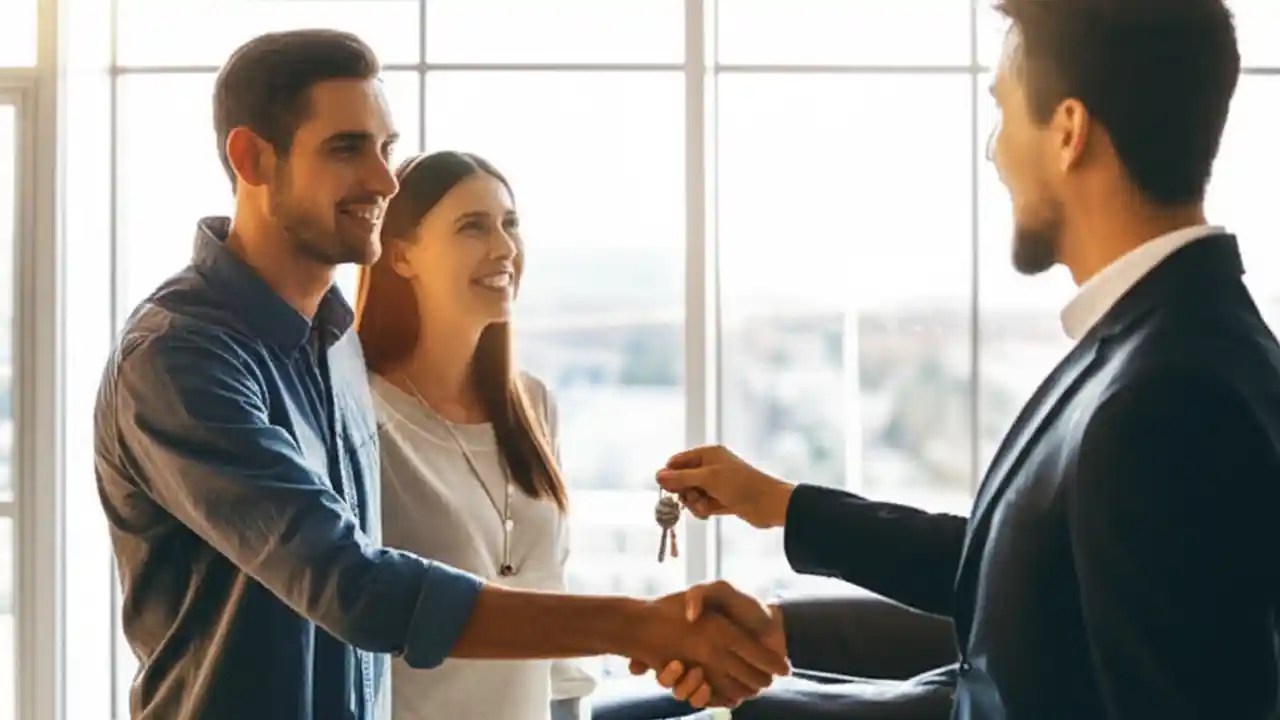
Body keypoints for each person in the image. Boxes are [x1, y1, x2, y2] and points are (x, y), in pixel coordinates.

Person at [93, 29, 787, 720]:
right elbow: (351, 585)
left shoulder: (334, 344)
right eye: (346, 148)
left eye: (386, 148)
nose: (384, 181)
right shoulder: (179, 358)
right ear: (251, 157)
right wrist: (643, 625)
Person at [655, 2, 1280, 718]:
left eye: (1004, 114)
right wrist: (781, 508)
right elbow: (1020, 571)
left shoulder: (1170, 399)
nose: (995, 152)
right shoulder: (1160, 345)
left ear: (1068, 132)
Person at [350, 149, 592, 719]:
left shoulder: (533, 406)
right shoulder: (360, 411)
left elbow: (557, 647)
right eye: (473, 227)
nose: (505, 248)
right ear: (401, 252)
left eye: (510, 224)